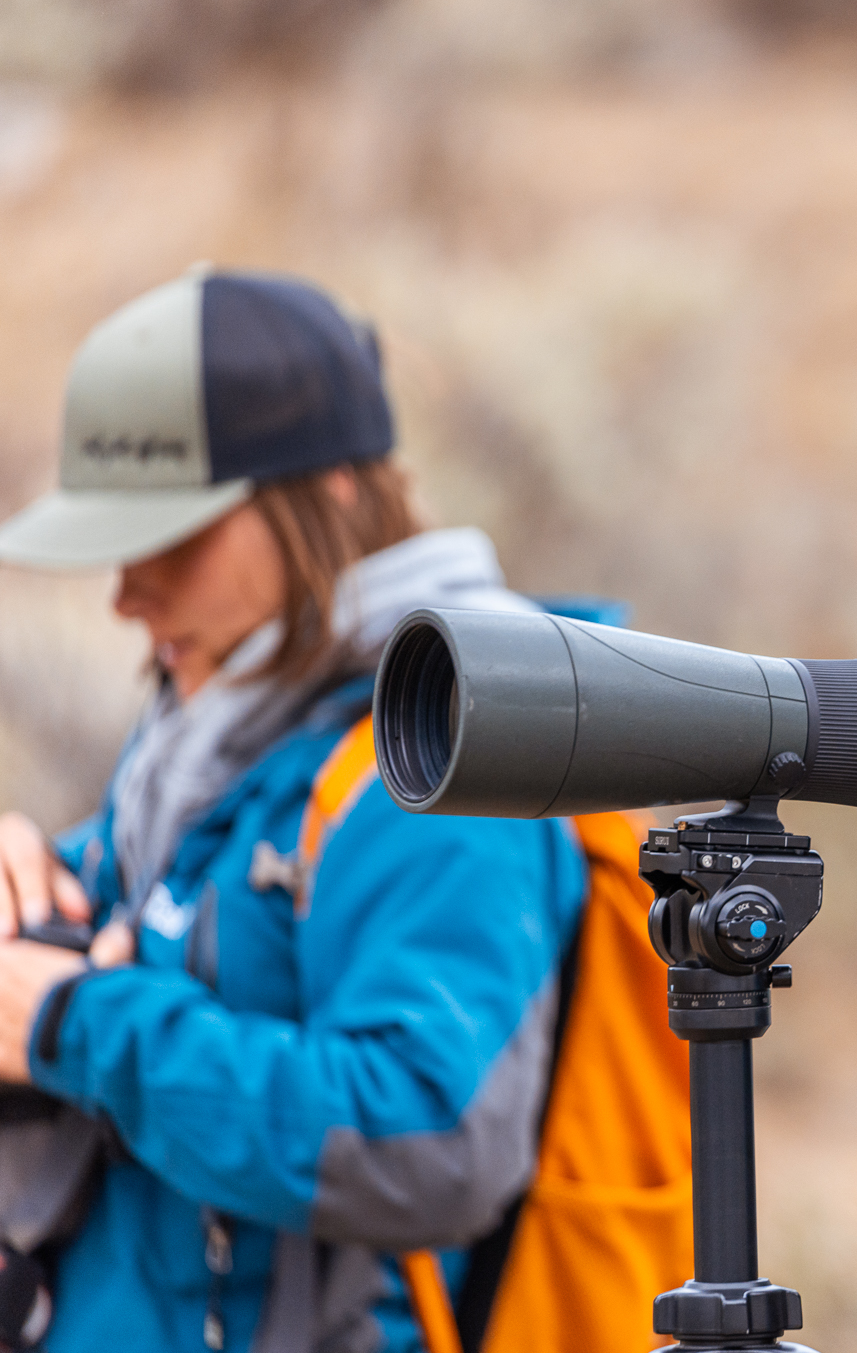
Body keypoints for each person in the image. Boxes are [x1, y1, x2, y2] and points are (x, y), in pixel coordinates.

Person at [0, 269, 585, 1353]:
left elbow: (430, 1138)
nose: (128, 592)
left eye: (173, 535)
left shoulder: (443, 768)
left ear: (334, 494)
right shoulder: (210, 725)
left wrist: (71, 1024)